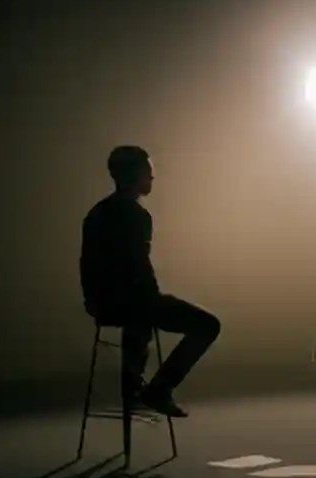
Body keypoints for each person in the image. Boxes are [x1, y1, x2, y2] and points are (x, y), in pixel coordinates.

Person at [79, 145, 221, 417]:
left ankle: (132, 388)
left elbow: (86, 263)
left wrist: (92, 302)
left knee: (140, 314)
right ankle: (158, 389)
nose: (152, 177)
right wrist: (154, 300)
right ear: (136, 174)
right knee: (208, 325)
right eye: (148, 171)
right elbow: (138, 269)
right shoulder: (136, 216)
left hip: (103, 303)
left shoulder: (97, 213)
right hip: (130, 302)